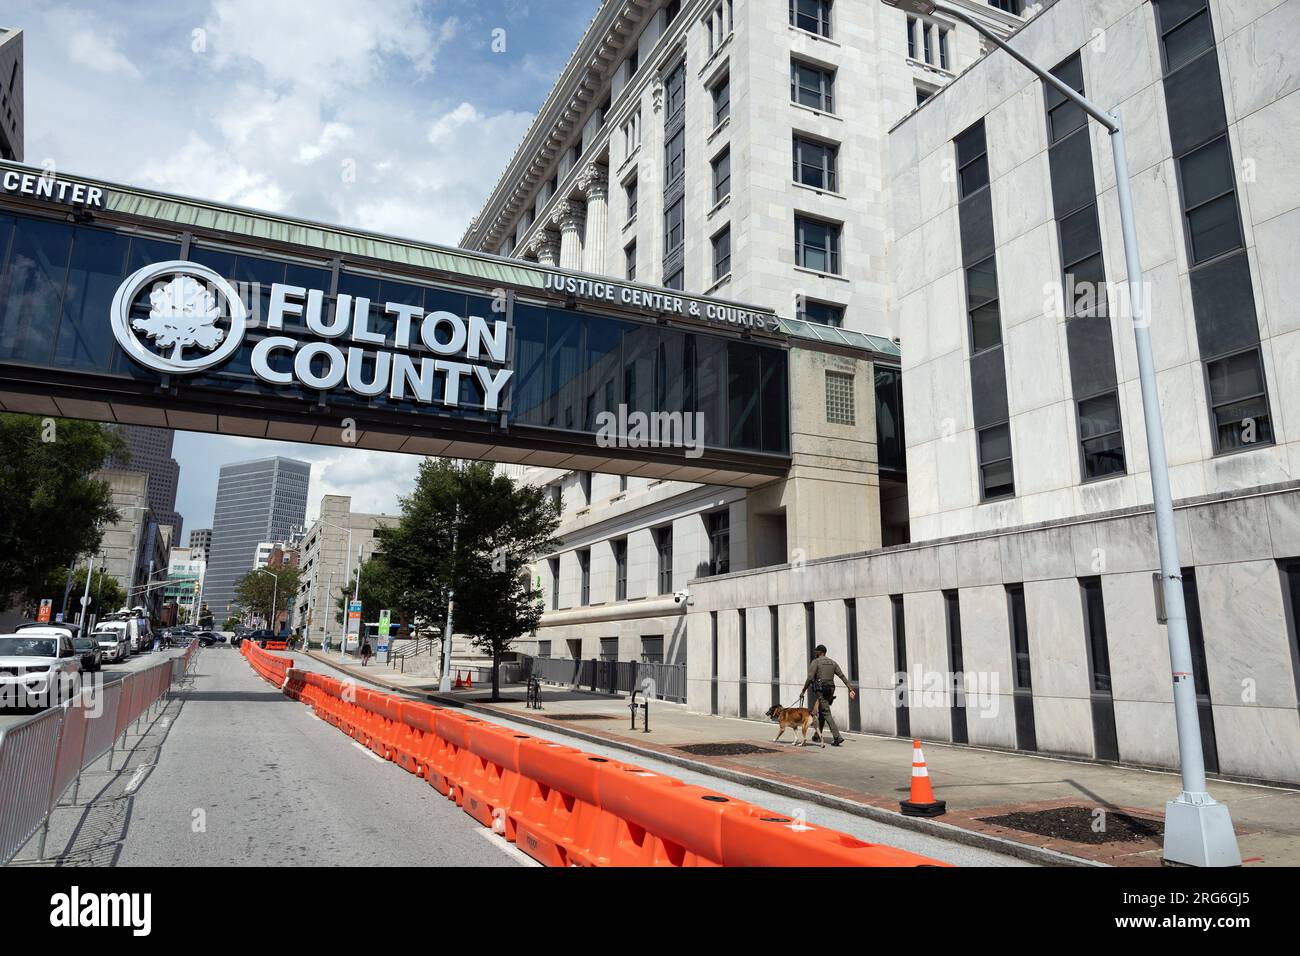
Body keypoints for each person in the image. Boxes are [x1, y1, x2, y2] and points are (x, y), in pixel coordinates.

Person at [800, 644, 856, 747]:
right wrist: (850, 689)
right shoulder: (833, 662)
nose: (815, 653)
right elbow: (842, 676)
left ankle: (837, 737)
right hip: (830, 690)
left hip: (821, 690)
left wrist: (803, 690)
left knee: (825, 712)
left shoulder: (816, 662)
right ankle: (818, 735)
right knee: (822, 710)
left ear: (820, 652)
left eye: (816, 651)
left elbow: (810, 677)